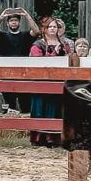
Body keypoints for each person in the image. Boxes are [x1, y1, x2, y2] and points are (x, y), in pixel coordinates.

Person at [0, 6, 39, 114]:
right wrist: (1, 17)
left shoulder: (25, 36)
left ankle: (26, 129)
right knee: (9, 105)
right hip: (6, 75)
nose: (14, 23)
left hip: (23, 75)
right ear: (7, 23)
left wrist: (26, 15)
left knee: (25, 105)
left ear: (19, 23)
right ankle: (10, 128)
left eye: (16, 20)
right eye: (11, 21)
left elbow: (36, 31)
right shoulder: (3, 36)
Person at [29, 16, 69, 146]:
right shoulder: (38, 45)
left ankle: (55, 138)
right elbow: (38, 63)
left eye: (55, 27)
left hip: (58, 82)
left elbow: (69, 61)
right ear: (44, 29)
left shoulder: (64, 45)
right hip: (41, 83)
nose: (52, 29)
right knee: (40, 110)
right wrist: (53, 53)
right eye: (50, 27)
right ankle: (39, 138)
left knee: (56, 109)